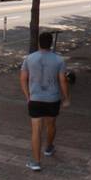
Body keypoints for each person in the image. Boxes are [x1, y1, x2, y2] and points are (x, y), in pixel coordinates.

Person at [19, 29, 67, 172]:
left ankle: (36, 161)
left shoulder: (29, 58)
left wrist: (28, 96)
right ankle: (48, 147)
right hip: (53, 99)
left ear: (39, 43)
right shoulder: (59, 60)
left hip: (35, 99)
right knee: (51, 124)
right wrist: (67, 98)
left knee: (36, 130)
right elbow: (63, 80)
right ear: (51, 44)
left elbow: (22, 79)